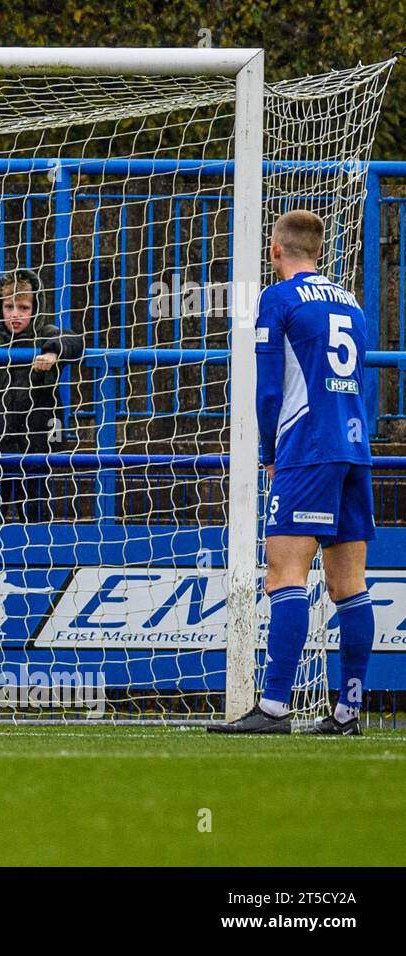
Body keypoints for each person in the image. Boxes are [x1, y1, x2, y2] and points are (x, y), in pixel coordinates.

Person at [209, 210, 375, 735]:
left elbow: (268, 388)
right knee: (350, 585)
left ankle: (275, 706)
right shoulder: (352, 303)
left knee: (285, 575)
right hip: (354, 448)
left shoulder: (278, 300)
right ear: (319, 251)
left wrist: (268, 447)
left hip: (306, 445)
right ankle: (347, 712)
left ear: (275, 250)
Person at [0, 268, 82, 523]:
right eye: (9, 306)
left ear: (35, 308)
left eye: (23, 307)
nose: (15, 315)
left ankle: (39, 564)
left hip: (35, 451)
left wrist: (54, 352)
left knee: (35, 519)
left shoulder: (46, 337)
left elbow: (75, 341)